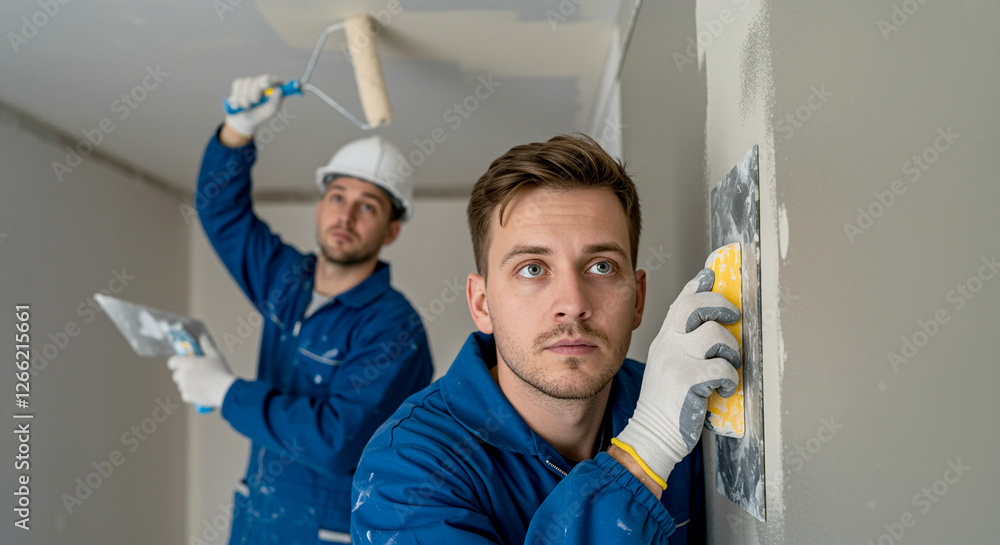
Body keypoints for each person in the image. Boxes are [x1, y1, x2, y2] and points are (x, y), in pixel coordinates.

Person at [350, 134, 741, 544]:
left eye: (602, 266)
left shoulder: (684, 406)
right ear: (482, 303)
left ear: (638, 298)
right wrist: (647, 450)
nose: (572, 304)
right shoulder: (406, 468)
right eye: (533, 269)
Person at [167, 74, 434, 544]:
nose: (345, 217)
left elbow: (336, 442)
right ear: (319, 207)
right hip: (258, 520)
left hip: (325, 531)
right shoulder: (286, 282)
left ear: (391, 230)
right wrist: (237, 133)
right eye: (337, 198)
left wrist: (228, 392)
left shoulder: (394, 327)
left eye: (367, 206)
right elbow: (221, 214)